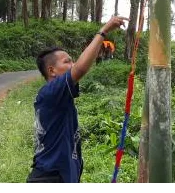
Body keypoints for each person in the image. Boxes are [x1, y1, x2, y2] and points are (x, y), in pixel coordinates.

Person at [27, 15, 128, 183]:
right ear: (52, 71)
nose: (72, 65)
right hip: (50, 178)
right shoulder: (50, 92)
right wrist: (103, 31)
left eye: (72, 61)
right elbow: (81, 68)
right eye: (67, 62)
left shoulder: (57, 94)